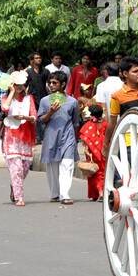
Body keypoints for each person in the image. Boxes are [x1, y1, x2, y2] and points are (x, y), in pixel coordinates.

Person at [39, 71, 80, 205]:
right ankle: (55, 193)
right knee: (52, 166)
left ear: (63, 84)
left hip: (68, 135)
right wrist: (51, 112)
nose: (51, 85)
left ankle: (65, 194)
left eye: (54, 83)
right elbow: (41, 120)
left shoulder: (73, 101)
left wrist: (76, 139)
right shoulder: (45, 101)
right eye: (49, 83)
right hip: (51, 136)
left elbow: (75, 122)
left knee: (67, 164)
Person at [0, 70, 38, 206]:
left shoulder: (29, 99)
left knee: (25, 168)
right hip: (11, 138)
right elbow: (5, 108)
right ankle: (19, 197)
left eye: (21, 84)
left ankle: (14, 186)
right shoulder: (6, 97)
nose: (19, 87)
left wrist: (25, 117)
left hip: (26, 137)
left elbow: (34, 117)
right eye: (16, 84)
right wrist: (11, 92)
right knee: (16, 169)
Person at [107, 56, 138, 134]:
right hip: (128, 140)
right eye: (135, 71)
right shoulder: (116, 96)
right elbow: (113, 123)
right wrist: (106, 143)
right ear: (125, 74)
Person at [79, 104, 108, 202]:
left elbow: (85, 141)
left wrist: (86, 150)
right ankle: (101, 192)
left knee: (94, 173)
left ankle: (99, 193)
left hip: (92, 152)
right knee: (102, 172)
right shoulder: (105, 124)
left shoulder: (88, 125)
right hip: (103, 151)